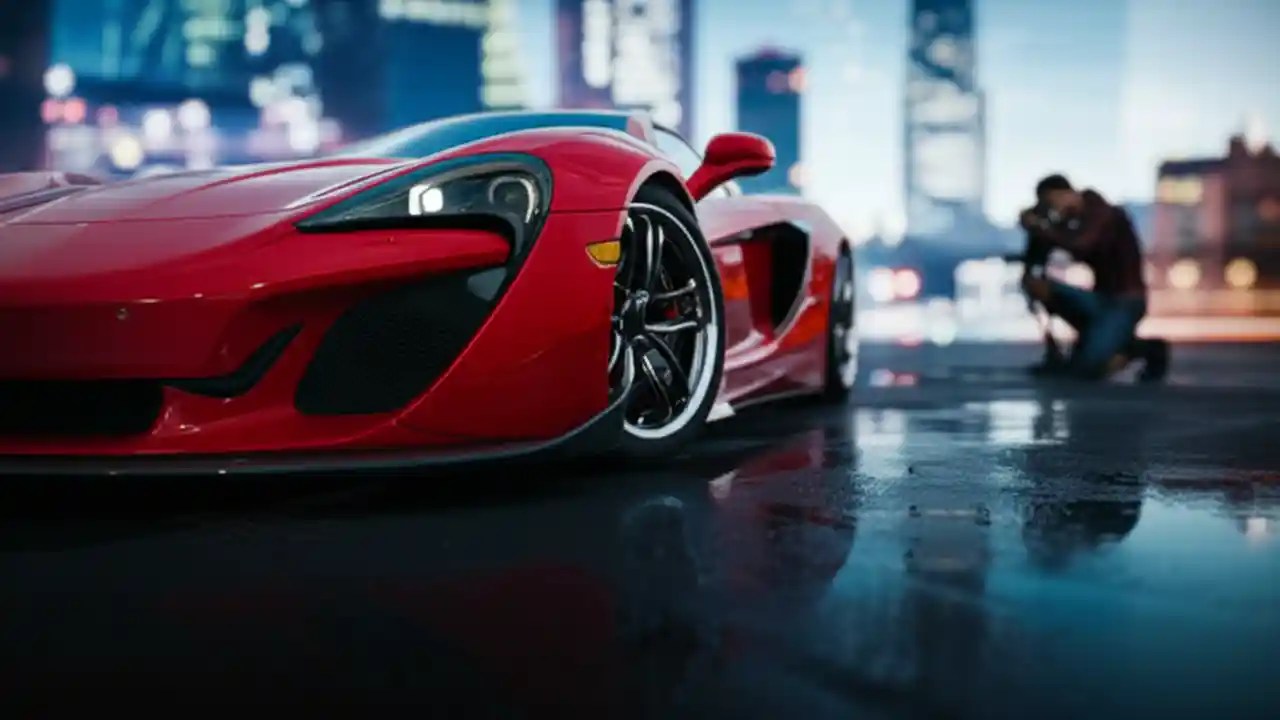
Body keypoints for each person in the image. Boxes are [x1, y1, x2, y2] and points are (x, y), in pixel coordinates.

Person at [1019, 174, 1168, 381]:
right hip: (1100, 300)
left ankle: (1144, 348)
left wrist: (1042, 227)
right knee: (1040, 286)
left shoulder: (1103, 213)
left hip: (1125, 302)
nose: (1053, 210)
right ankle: (1085, 344)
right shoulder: (1068, 223)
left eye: (1052, 204)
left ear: (1066, 194)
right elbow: (1039, 258)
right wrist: (1036, 234)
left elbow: (1082, 243)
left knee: (1088, 368)